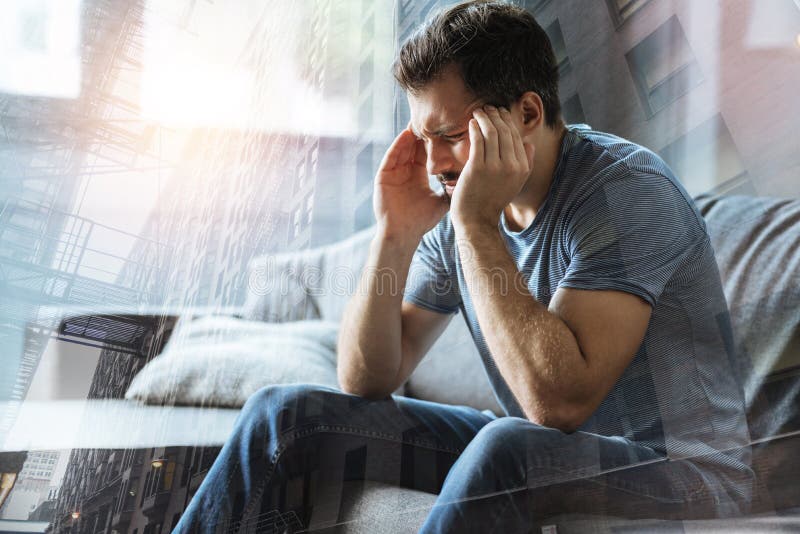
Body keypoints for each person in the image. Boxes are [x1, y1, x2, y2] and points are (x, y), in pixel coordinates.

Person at [175, 2, 753, 532]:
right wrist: (394, 234)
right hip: (547, 449)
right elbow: (368, 377)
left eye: (450, 136)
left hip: (690, 477)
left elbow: (559, 406)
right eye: (423, 138)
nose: (433, 164)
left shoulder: (627, 193)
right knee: (284, 414)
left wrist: (475, 225)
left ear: (526, 112)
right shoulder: (459, 201)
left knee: (506, 446)